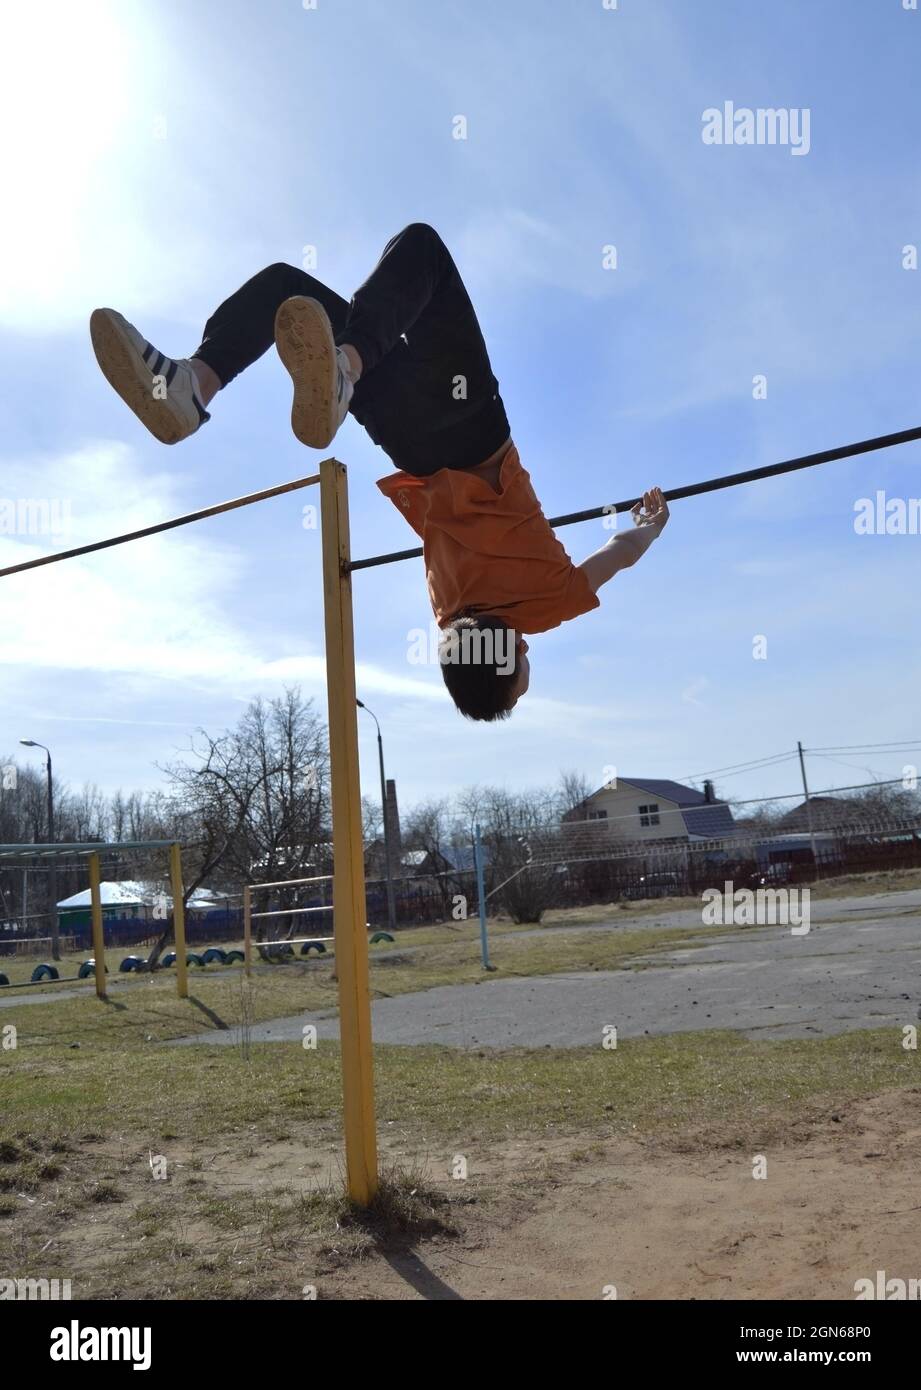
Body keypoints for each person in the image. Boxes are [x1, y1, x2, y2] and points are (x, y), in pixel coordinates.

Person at [90, 223, 669, 720]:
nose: (529, 658)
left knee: (425, 251)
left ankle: (317, 366)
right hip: (407, 440)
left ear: (513, 651)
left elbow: (620, 553)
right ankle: (196, 387)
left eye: (521, 672)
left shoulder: (553, 602)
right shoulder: (445, 611)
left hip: (470, 425)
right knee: (286, 291)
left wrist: (651, 523)